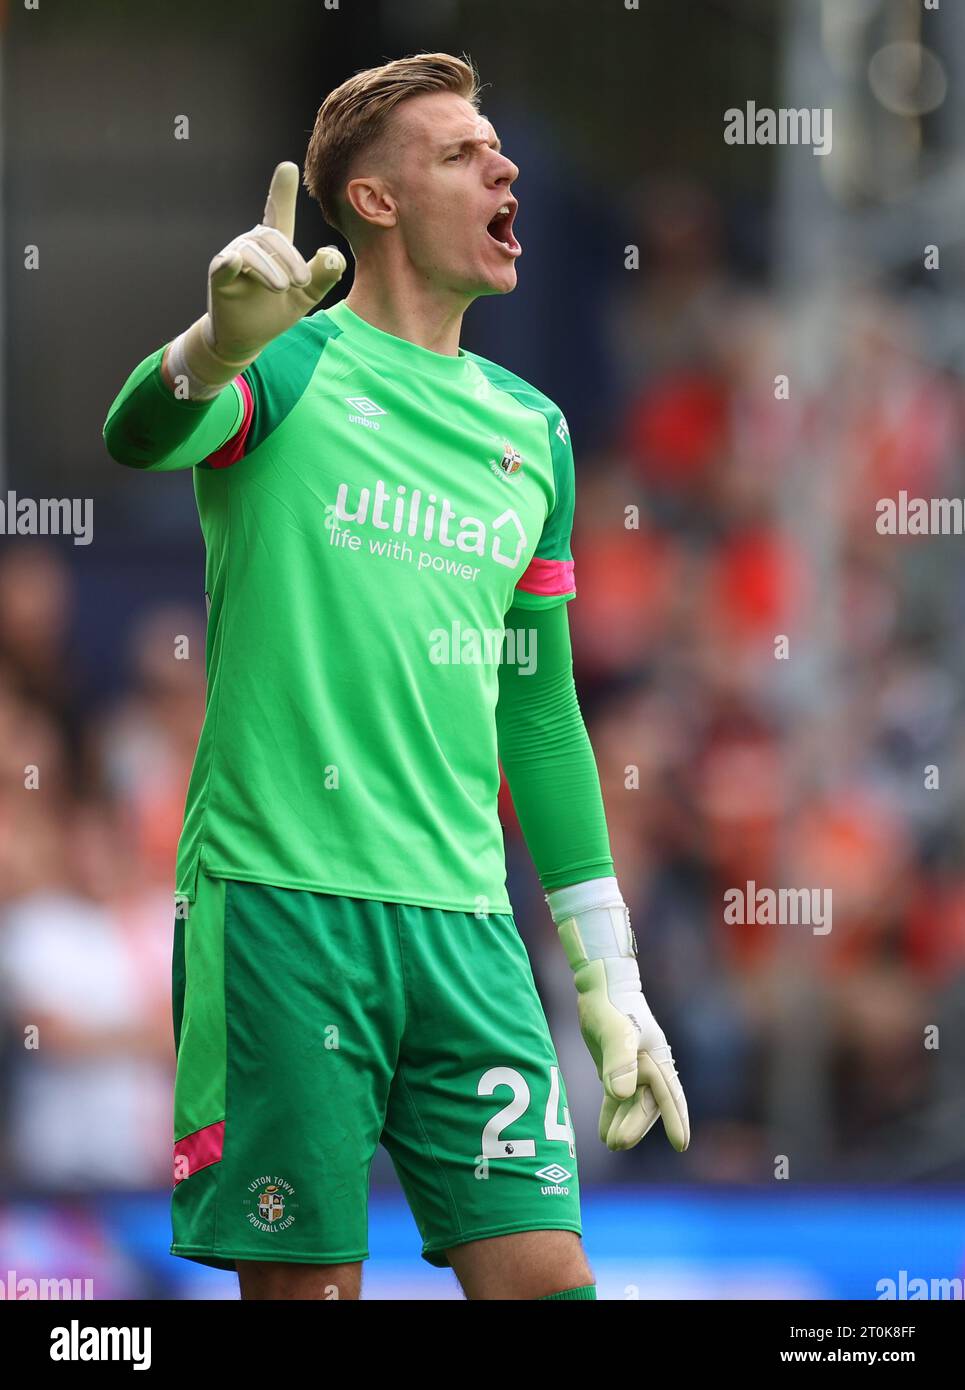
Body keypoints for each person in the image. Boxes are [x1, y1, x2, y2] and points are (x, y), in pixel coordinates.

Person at [103, 51, 688, 1302]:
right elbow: (135, 435)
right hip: (281, 905)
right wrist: (211, 344)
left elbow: (535, 708)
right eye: (461, 151)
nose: (503, 163)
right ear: (373, 200)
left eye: (497, 145)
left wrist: (605, 966)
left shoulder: (531, 432)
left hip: (468, 928)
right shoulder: (290, 363)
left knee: (548, 1277)